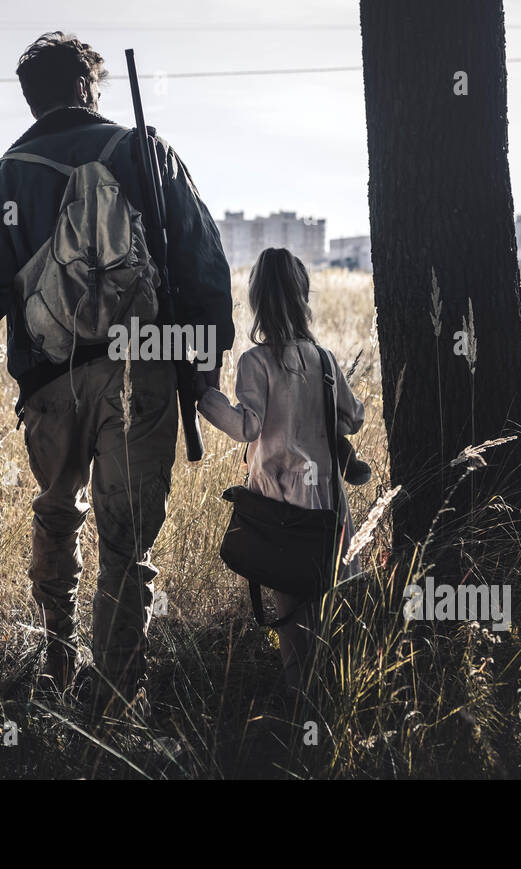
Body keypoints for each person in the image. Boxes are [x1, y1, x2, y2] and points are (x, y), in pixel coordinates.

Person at [0, 32, 234, 716]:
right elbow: (203, 265)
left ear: (33, 97)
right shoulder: (144, 152)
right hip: (143, 373)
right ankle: (106, 705)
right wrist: (203, 369)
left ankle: (56, 660)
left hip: (48, 383)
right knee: (126, 542)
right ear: (85, 86)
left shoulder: (0, 180)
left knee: (58, 512)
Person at [197, 247, 366, 708]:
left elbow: (247, 427)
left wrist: (206, 398)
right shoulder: (326, 360)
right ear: (302, 296)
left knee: (290, 613)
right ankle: (332, 701)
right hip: (328, 508)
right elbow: (354, 419)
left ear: (257, 301)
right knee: (326, 605)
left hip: (280, 508)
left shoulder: (255, 362)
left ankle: (301, 705)